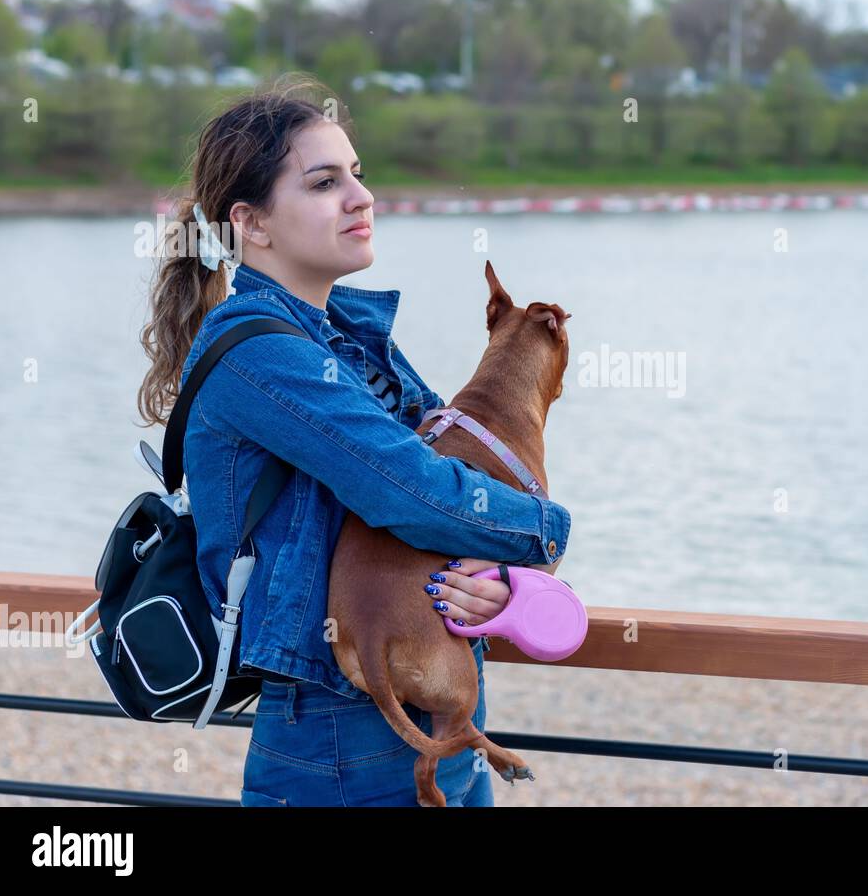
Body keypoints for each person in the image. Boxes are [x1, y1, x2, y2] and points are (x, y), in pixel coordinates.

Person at [135, 75, 571, 806]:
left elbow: (451, 495)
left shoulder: (353, 340)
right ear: (255, 223)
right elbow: (419, 491)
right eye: (324, 182)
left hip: (438, 702)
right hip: (338, 740)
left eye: (358, 176)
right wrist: (547, 532)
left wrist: (493, 585)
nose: (360, 197)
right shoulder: (261, 357)